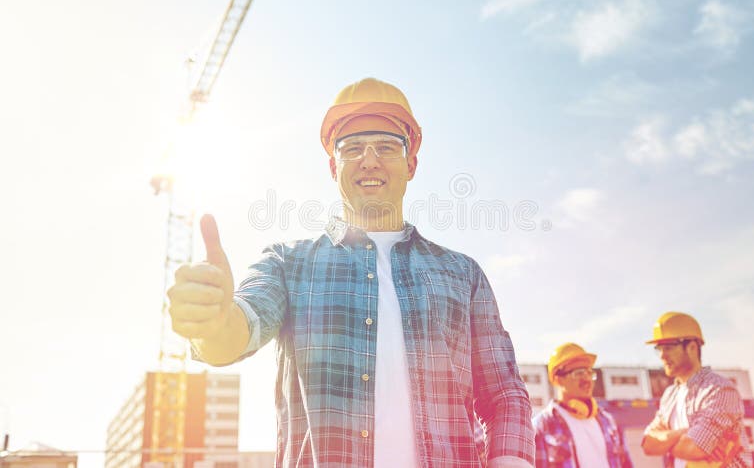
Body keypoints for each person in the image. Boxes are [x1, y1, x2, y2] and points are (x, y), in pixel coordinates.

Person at [167, 77, 535, 467]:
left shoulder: (464, 275)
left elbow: (505, 394)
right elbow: (238, 329)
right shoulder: (287, 264)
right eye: (353, 147)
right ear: (332, 166)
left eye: (387, 147)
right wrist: (212, 323)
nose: (369, 160)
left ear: (411, 164)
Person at [641, 312, 751, 467]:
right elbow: (648, 444)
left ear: (692, 347)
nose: (662, 356)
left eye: (668, 347)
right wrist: (683, 433)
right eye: (659, 349)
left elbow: (694, 447)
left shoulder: (719, 389)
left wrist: (665, 444)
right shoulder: (669, 395)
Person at [533, 343, 633, 468]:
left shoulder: (609, 422)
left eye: (589, 372)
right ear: (558, 379)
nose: (587, 379)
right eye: (579, 373)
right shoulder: (541, 426)